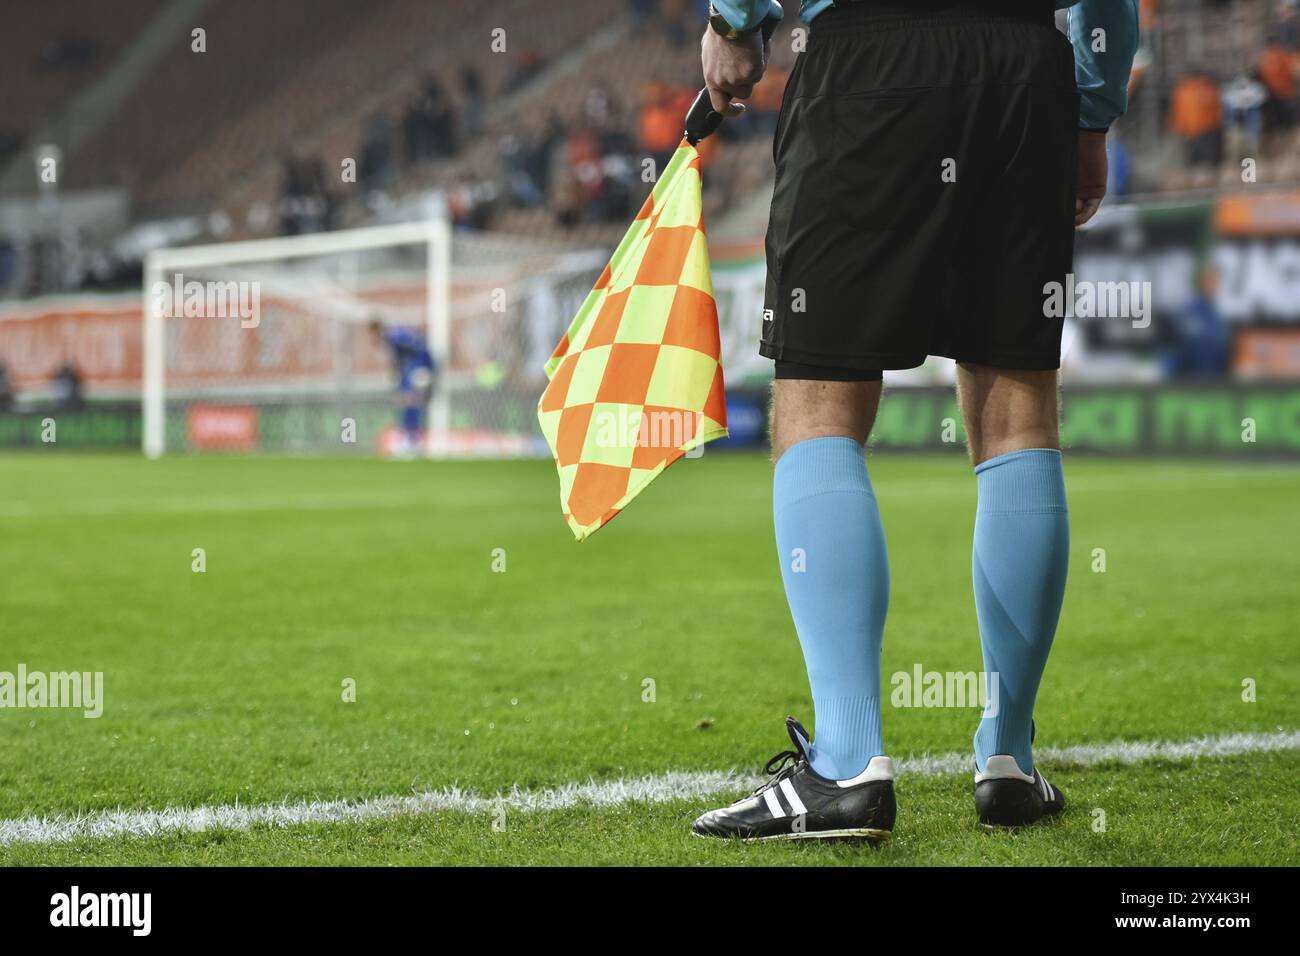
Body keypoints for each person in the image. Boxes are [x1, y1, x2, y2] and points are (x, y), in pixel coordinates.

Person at [691, 0, 1136, 841]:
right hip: (1023, 64)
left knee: (818, 401)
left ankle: (849, 765)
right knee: (1018, 412)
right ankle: (1007, 756)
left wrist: (736, 19)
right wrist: (1091, 107)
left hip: (873, 59)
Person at [368, 317, 436, 457]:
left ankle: (412, 441)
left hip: (418, 369)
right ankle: (409, 438)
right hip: (412, 371)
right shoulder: (393, 338)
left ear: (376, 331)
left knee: (411, 403)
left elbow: (418, 348)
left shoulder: (394, 337)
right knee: (408, 404)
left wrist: (424, 368)